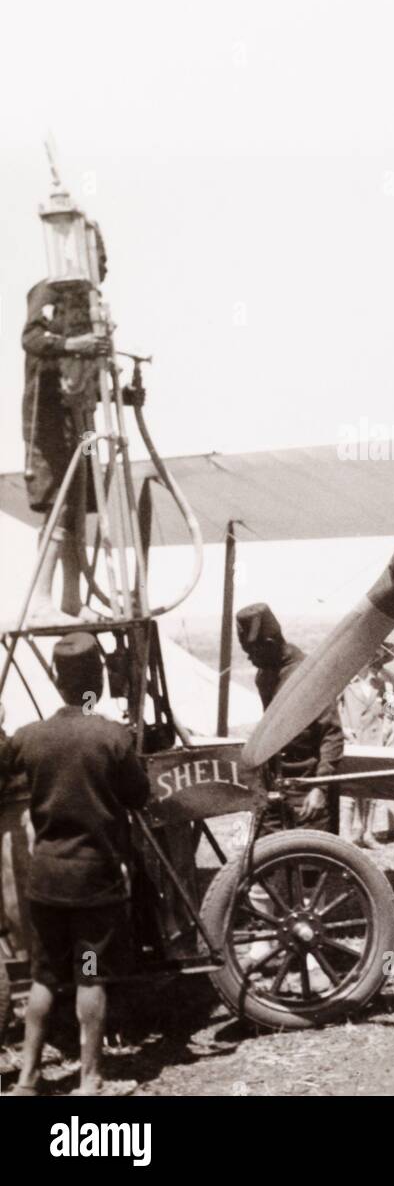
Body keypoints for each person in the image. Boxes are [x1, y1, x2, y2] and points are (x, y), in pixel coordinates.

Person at [0, 633, 149, 1096]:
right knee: (89, 973)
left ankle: (26, 1079)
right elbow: (139, 796)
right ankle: (90, 1079)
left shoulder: (30, 738)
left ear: (58, 681)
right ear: (97, 680)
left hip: (45, 882)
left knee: (45, 976)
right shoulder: (111, 736)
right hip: (92, 885)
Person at [21, 225, 140, 624]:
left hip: (82, 422)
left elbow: (86, 375)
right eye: (98, 260)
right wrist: (76, 344)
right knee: (57, 503)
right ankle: (39, 600)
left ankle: (71, 601)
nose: (103, 270)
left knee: (78, 507)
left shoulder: (89, 308)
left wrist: (124, 396)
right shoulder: (49, 291)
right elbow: (32, 338)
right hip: (50, 419)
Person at [236, 603, 343, 833]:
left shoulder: (310, 674)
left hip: (307, 788)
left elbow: (331, 735)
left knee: (311, 862)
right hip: (275, 785)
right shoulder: (264, 674)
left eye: (252, 652)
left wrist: (320, 788)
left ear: (270, 644)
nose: (250, 660)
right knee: (270, 858)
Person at [339, 643, 394, 845]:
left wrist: (387, 727)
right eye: (373, 658)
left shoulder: (387, 682)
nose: (376, 663)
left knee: (371, 788)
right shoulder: (346, 680)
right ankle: (346, 836)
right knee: (349, 788)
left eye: (380, 659)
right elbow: (333, 707)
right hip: (352, 740)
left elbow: (391, 711)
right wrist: (343, 729)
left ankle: (367, 833)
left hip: (375, 740)